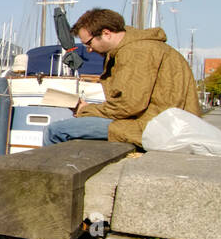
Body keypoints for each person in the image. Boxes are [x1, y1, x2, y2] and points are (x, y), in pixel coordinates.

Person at [45, 8, 200, 145]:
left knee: (56, 131)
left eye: (89, 44)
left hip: (153, 126)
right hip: (164, 122)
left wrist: (85, 110)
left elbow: (128, 106)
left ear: (106, 33)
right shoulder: (143, 47)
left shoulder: (136, 52)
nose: (89, 50)